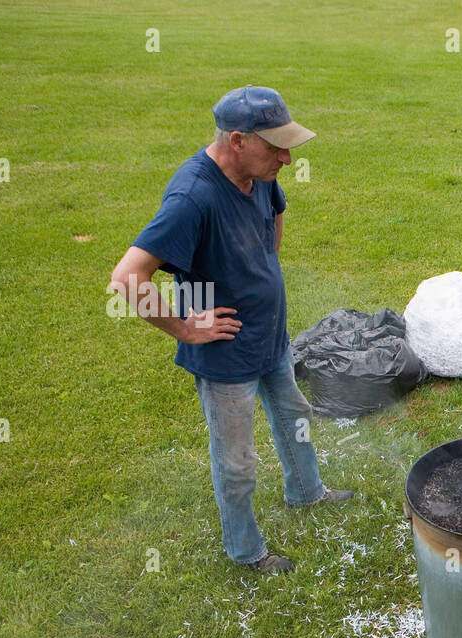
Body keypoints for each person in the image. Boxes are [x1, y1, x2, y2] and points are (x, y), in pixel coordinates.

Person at [110, 86, 352, 574]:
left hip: (270, 334)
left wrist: (263, 267)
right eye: (275, 146)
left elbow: (275, 214)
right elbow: (125, 279)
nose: (287, 157)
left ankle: (306, 492)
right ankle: (246, 551)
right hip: (225, 351)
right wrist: (184, 326)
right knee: (237, 459)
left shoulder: (259, 172)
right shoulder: (193, 195)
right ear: (238, 140)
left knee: (295, 417)